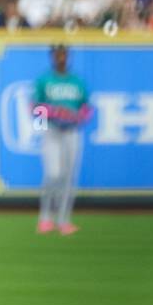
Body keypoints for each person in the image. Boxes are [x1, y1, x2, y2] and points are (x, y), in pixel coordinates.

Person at [32, 44, 92, 235]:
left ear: (68, 56)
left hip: (72, 131)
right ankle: (45, 217)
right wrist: (42, 128)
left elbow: (86, 108)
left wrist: (78, 117)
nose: (61, 58)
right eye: (57, 54)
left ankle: (64, 219)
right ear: (52, 57)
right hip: (51, 130)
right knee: (52, 173)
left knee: (68, 176)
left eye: (64, 54)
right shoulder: (44, 80)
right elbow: (36, 106)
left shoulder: (77, 81)